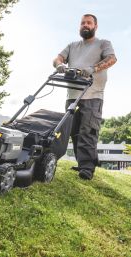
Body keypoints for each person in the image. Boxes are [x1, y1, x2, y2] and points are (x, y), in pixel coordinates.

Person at [53, 14, 117, 180]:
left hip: (93, 94)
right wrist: (59, 64)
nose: (85, 25)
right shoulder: (72, 46)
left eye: (89, 23)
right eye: (82, 23)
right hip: (73, 95)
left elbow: (112, 59)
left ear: (95, 26)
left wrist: (93, 68)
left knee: (88, 131)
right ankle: (83, 163)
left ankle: (87, 169)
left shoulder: (103, 43)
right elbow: (58, 57)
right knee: (73, 132)